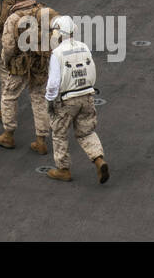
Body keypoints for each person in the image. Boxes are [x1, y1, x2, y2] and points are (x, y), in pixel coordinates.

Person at [43, 15, 108, 183]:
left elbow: (53, 83)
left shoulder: (57, 53)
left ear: (58, 33)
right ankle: (98, 159)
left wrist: (50, 101)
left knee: (59, 133)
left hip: (66, 100)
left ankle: (63, 169)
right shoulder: (84, 47)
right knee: (86, 131)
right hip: (87, 95)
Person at [0, 0, 54, 154]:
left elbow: (9, 45)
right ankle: (41, 140)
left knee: (9, 96)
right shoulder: (42, 12)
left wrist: (6, 61)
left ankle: (8, 134)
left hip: (20, 64)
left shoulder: (13, 18)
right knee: (39, 98)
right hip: (40, 62)